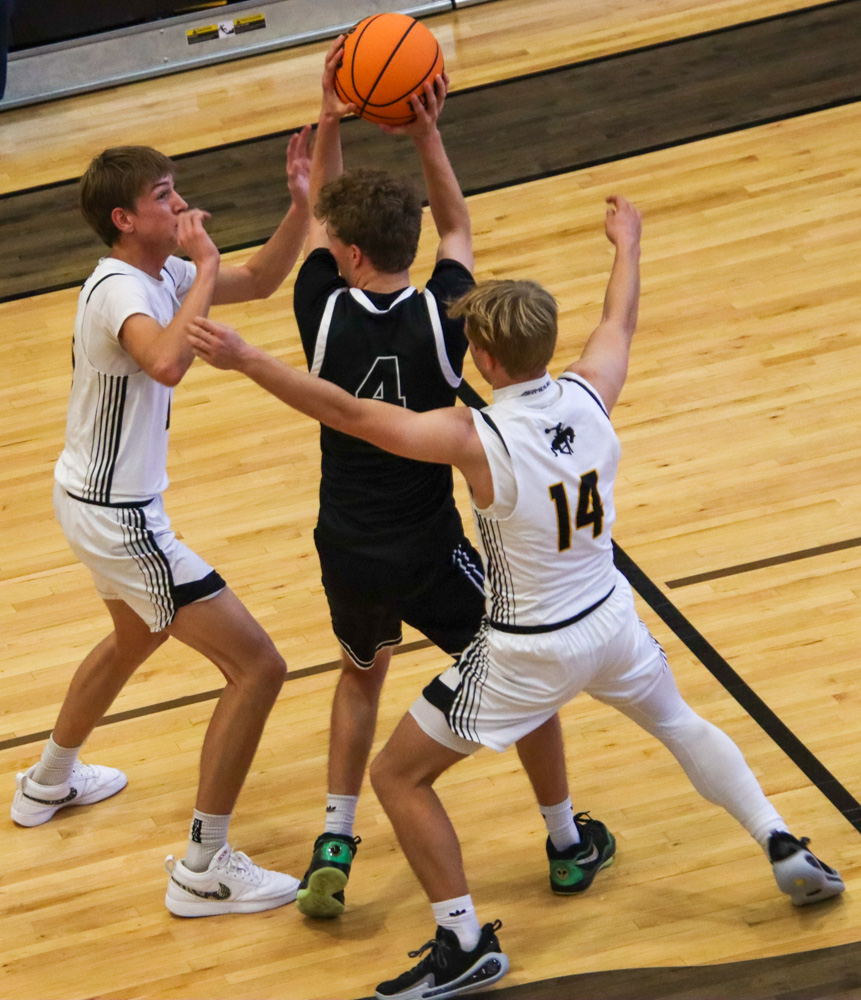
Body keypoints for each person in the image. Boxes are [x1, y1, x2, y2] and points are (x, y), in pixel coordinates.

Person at [187, 192, 844, 997]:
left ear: (484, 363)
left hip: (526, 649)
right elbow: (619, 320)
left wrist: (249, 359)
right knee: (680, 722)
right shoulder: (591, 390)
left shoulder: (474, 437)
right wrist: (624, 245)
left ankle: (462, 942)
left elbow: (350, 413)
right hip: (611, 622)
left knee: (398, 779)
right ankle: (778, 841)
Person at [289, 38, 602, 920]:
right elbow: (457, 228)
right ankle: (565, 840)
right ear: (406, 245)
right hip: (429, 545)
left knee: (360, 674)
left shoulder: (319, 312)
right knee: (523, 675)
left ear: (347, 255)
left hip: (346, 542)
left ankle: (335, 839)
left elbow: (320, 213)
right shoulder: (442, 319)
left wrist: (329, 115)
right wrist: (427, 130)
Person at [11, 130, 313, 918]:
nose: (180, 207)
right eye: (163, 198)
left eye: (177, 191)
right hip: (120, 518)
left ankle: (47, 782)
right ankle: (203, 868)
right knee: (260, 667)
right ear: (124, 218)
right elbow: (169, 362)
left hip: (89, 500)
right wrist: (205, 267)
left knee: (135, 636)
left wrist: (302, 206)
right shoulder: (119, 287)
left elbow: (262, 276)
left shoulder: (159, 269)